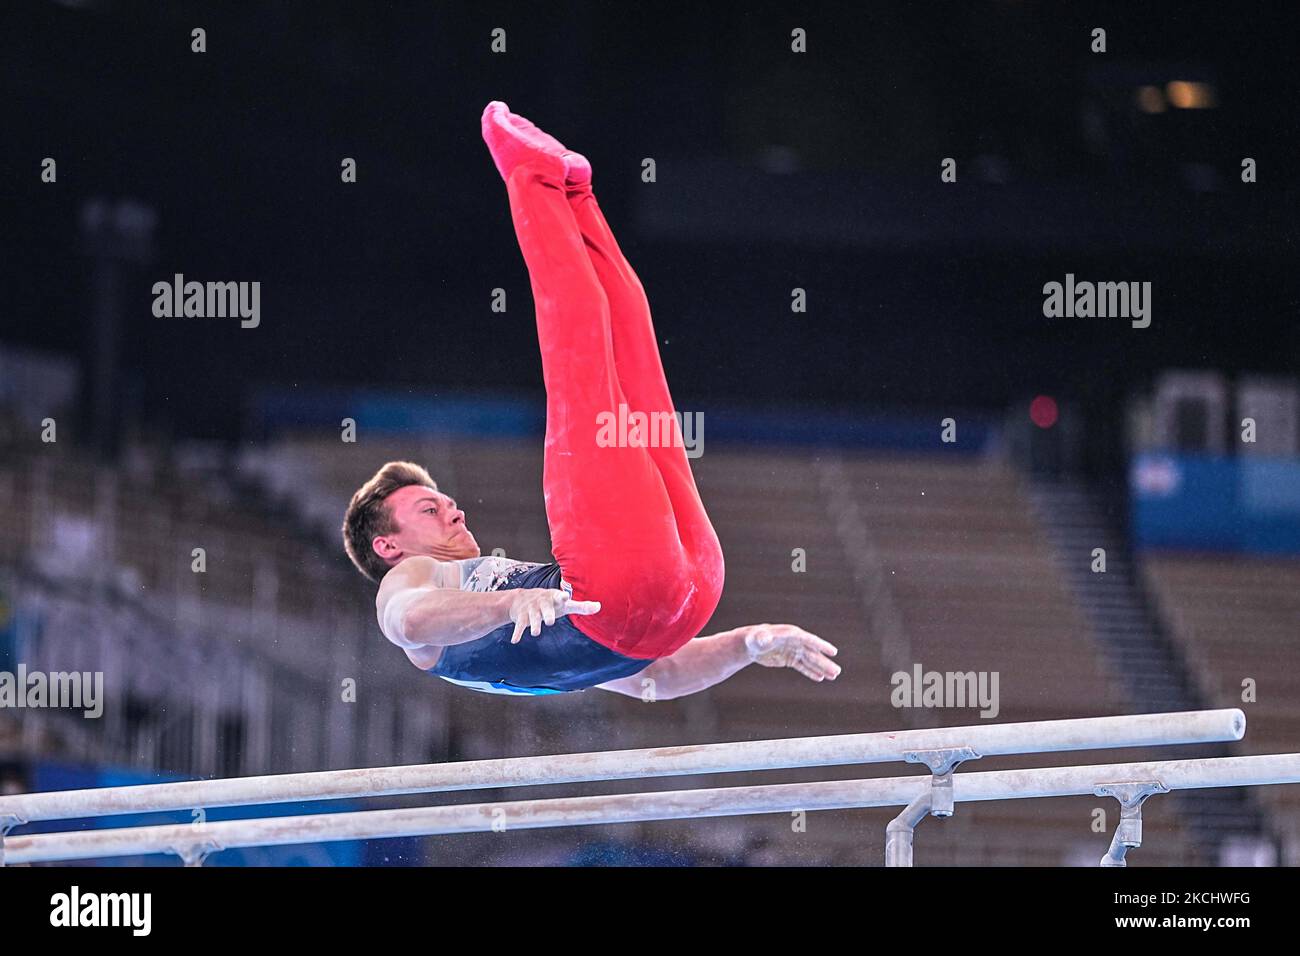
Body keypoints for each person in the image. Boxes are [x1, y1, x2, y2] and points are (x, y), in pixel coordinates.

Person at [342, 102, 839, 698]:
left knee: (632, 359)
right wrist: (752, 644)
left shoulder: (525, 599)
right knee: (581, 358)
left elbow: (653, 679)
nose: (454, 510)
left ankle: (576, 194)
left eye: (443, 501)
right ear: (387, 546)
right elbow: (406, 620)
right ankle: (531, 177)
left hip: (673, 597)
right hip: (642, 594)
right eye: (428, 509)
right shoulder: (414, 580)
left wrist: (748, 642)